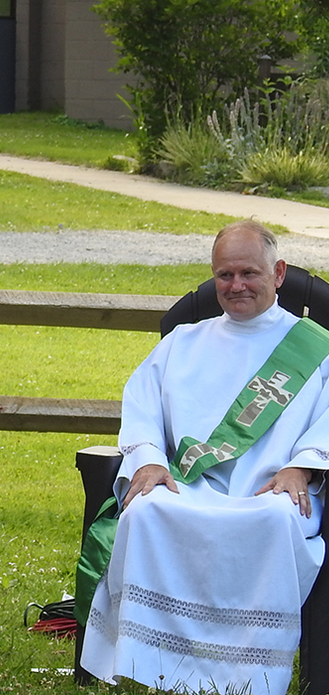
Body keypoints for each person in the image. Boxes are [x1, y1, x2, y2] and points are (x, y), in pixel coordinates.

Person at [80, 220, 329, 694]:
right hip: (190, 485)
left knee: (275, 522)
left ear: (278, 273)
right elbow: (142, 406)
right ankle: (152, 665)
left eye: (249, 274)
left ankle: (249, 676)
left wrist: (304, 464)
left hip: (271, 491)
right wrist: (150, 459)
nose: (236, 286)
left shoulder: (316, 350)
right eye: (225, 275)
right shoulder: (183, 343)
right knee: (146, 513)